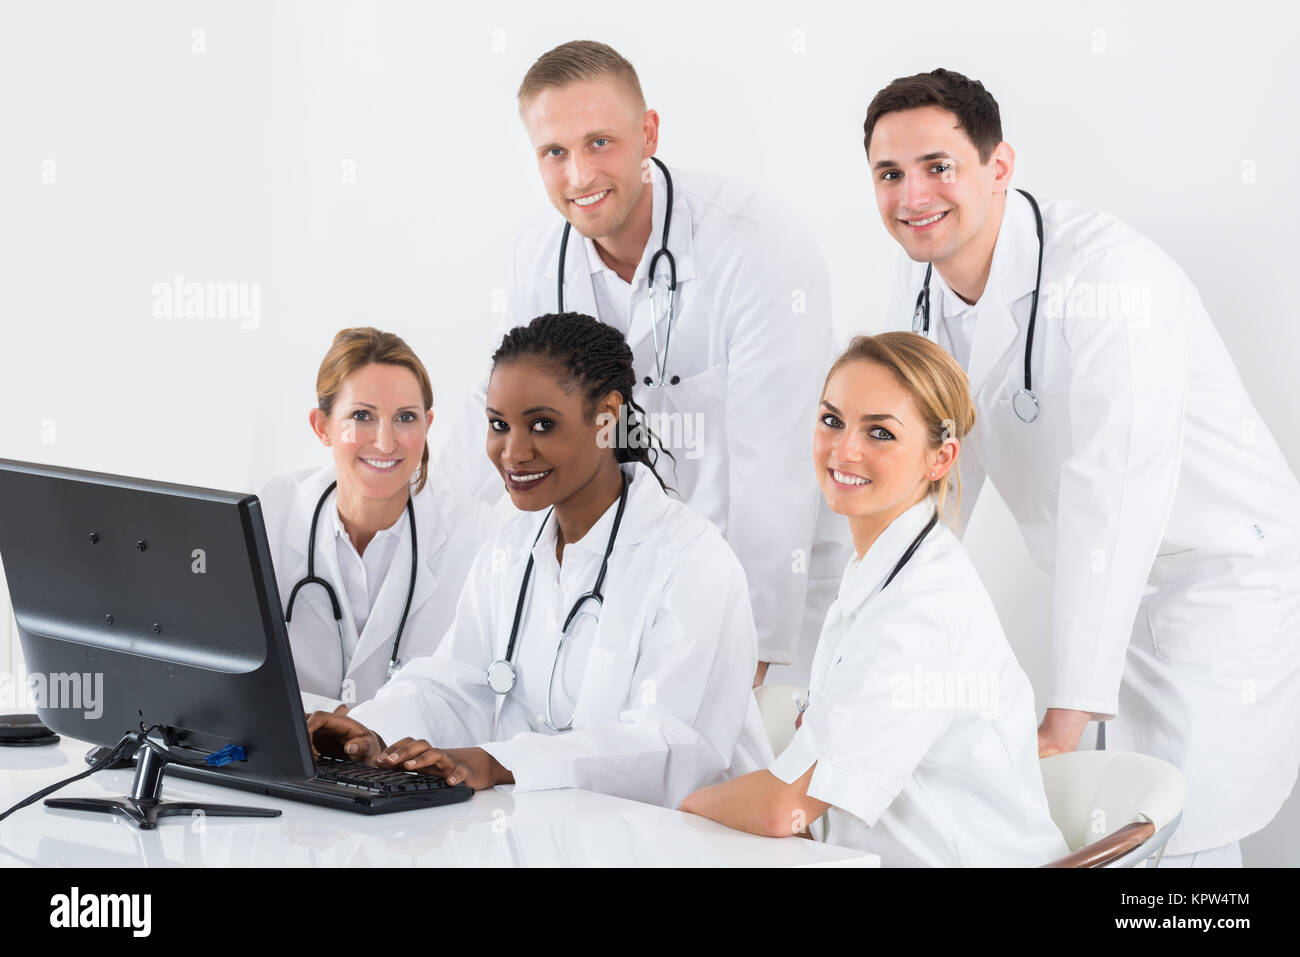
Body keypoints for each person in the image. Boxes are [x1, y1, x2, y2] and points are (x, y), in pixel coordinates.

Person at [867, 68, 1300, 865]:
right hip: (1105, 584)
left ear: (999, 168)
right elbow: (928, 474)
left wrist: (1063, 722)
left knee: (1175, 826)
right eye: (889, 173)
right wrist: (875, 629)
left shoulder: (1109, 280)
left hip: (1215, 576)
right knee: (1108, 823)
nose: (912, 194)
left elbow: (1118, 491)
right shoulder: (920, 281)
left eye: (938, 166)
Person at [433, 40, 851, 687]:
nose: (578, 175)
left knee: (757, 766)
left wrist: (752, 651)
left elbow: (775, 467)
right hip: (639, 581)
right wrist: (405, 509)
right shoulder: (541, 259)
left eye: (600, 142)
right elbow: (490, 412)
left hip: (780, 594)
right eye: (554, 152)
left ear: (648, 132)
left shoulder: (756, 246)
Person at [308, 313, 771, 809]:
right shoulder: (508, 552)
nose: (513, 451)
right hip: (556, 833)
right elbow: (455, 685)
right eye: (498, 425)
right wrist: (373, 730)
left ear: (607, 417)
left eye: (542, 425)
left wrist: (499, 762)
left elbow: (672, 747)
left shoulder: (693, 562)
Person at [681, 333, 1067, 867]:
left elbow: (785, 810)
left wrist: (680, 806)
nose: (844, 450)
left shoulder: (922, 608)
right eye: (832, 420)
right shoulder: (881, 570)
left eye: (880, 432)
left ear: (940, 458)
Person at [259, 327, 499, 712]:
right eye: (362, 416)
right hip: (284, 760)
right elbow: (228, 670)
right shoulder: (271, 513)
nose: (386, 443)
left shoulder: (479, 535)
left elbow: (482, 698)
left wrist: (373, 726)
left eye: (406, 417)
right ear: (322, 427)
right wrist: (326, 715)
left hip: (410, 764)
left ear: (428, 424)